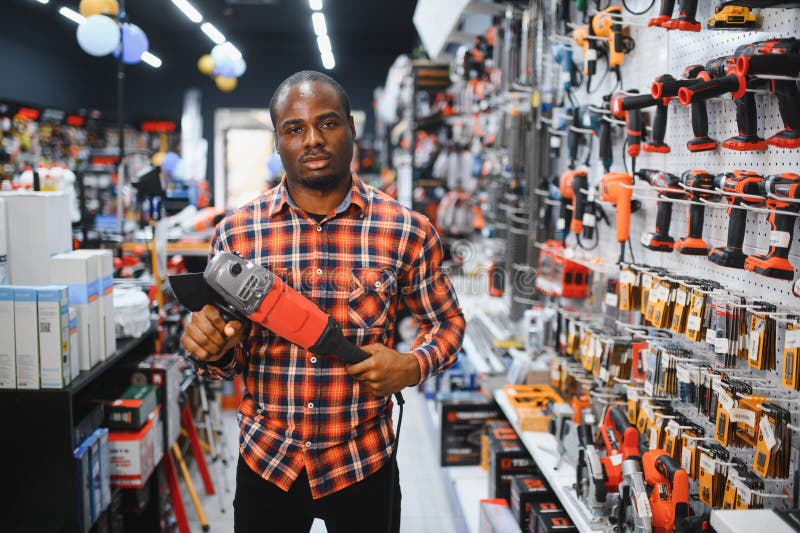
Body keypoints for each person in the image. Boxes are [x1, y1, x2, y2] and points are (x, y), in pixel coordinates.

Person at [180, 70, 465, 533]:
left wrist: (412, 365)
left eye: (328, 123)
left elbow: (448, 322)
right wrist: (213, 348)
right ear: (277, 140)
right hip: (267, 461)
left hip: (362, 462)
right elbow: (225, 361)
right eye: (294, 128)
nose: (312, 139)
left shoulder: (406, 230)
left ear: (352, 128)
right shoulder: (237, 234)